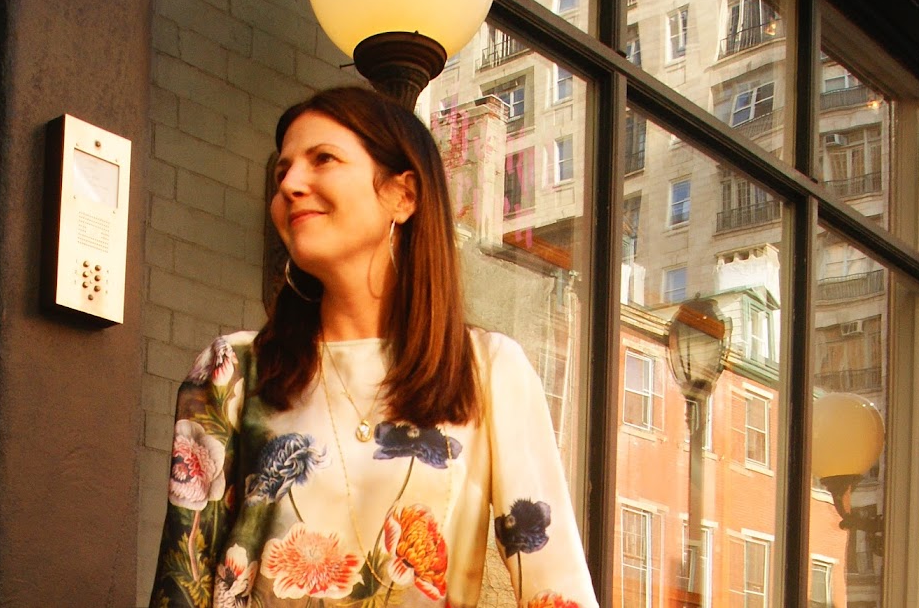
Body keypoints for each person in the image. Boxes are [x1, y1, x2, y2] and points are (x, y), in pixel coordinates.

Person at [149, 86, 598, 608]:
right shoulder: (233, 370)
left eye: (323, 159)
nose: (292, 184)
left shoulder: (486, 372)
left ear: (401, 196)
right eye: (282, 173)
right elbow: (179, 588)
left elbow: (555, 586)